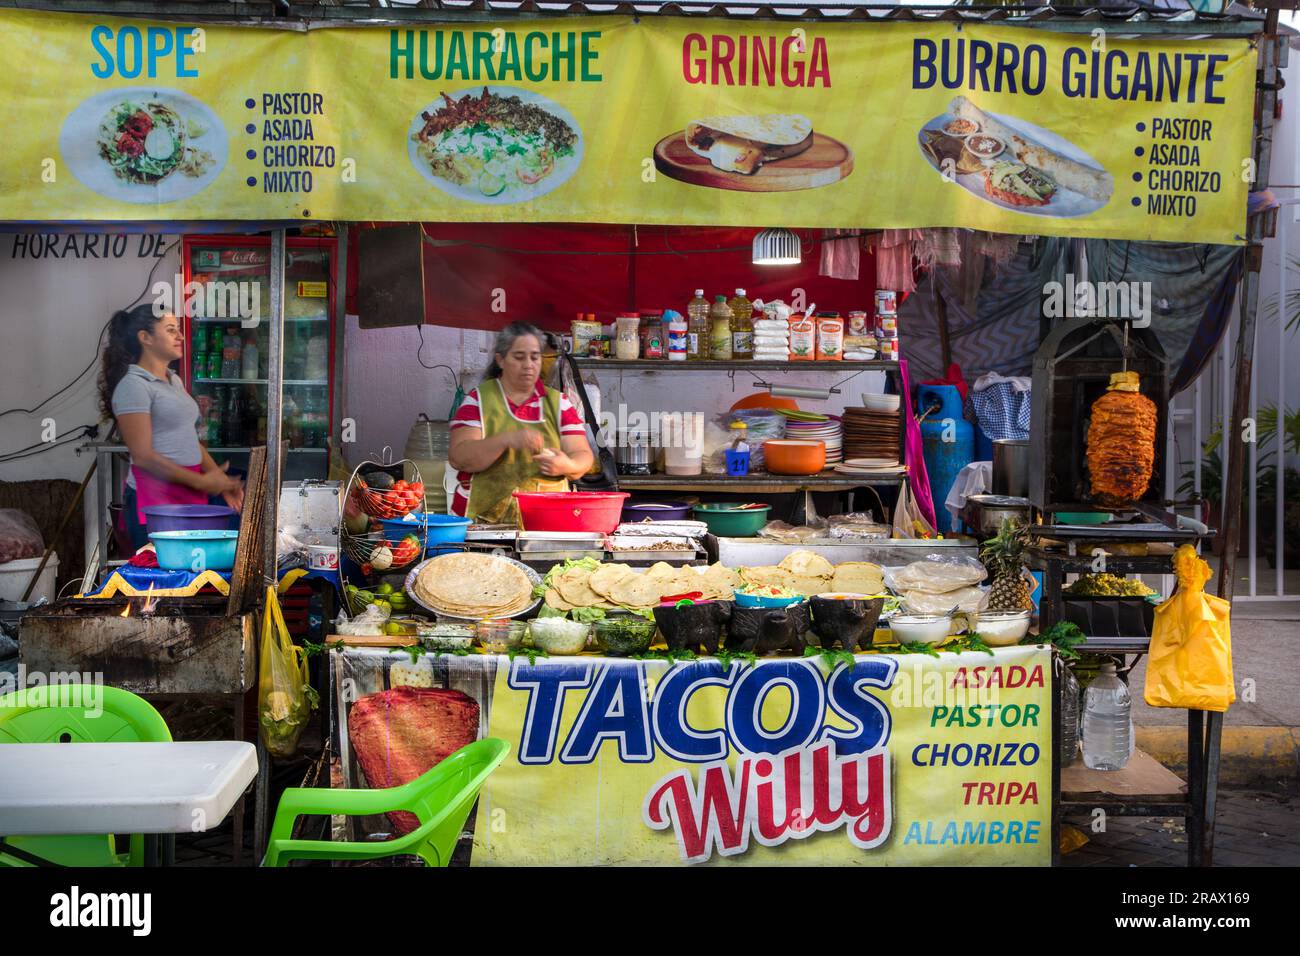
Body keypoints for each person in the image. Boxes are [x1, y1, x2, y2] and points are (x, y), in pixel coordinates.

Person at [99, 305, 244, 550]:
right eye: (170, 330)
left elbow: (188, 439)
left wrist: (219, 481)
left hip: (187, 496)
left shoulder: (173, 380)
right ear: (145, 338)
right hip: (155, 502)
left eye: (178, 329)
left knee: (193, 578)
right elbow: (143, 457)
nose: (181, 336)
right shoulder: (133, 386)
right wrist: (201, 482)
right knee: (163, 581)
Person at [448, 321, 594, 523]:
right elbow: (459, 457)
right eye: (519, 357)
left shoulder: (559, 403)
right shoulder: (478, 401)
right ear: (500, 359)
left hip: (547, 523)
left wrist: (567, 465)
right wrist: (505, 441)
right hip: (482, 525)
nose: (528, 364)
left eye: (535, 357)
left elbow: (584, 456)